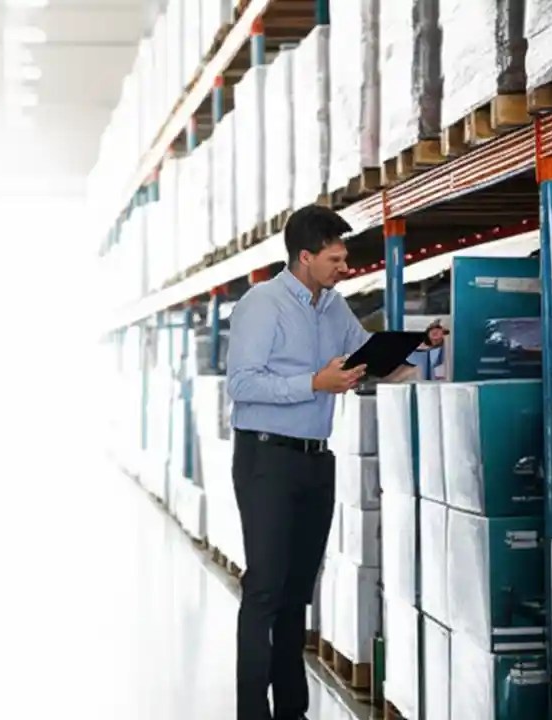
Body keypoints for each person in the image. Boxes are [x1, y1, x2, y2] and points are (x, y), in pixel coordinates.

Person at [225, 205, 415, 720]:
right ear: (305, 257)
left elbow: (363, 357)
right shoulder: (261, 305)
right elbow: (241, 384)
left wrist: (415, 357)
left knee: (296, 593)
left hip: (314, 463)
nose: (344, 265)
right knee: (265, 587)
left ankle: (292, 710)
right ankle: (252, 714)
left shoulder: (333, 307)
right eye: (335, 257)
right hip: (266, 458)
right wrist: (313, 383)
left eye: (344, 255)